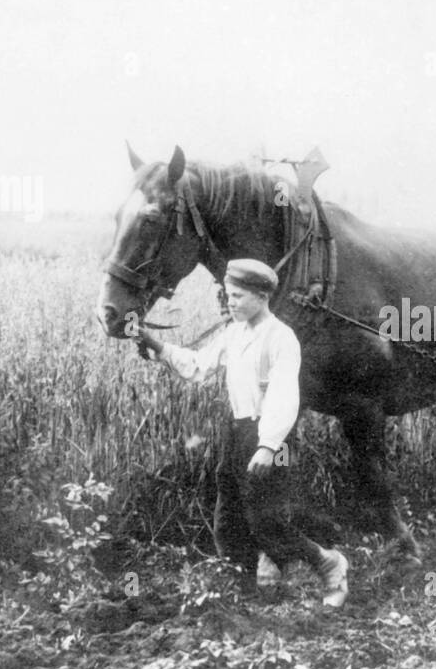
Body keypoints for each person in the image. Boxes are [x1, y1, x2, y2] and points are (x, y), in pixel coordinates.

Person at [134, 259, 349, 607]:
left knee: (268, 523)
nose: (230, 303)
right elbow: (199, 366)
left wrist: (267, 446)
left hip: (270, 437)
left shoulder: (281, 338)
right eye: (227, 295)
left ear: (262, 296)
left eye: (237, 296)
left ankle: (329, 564)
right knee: (227, 521)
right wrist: (157, 346)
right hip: (235, 431)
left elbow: (283, 394)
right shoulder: (235, 333)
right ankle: (245, 597)